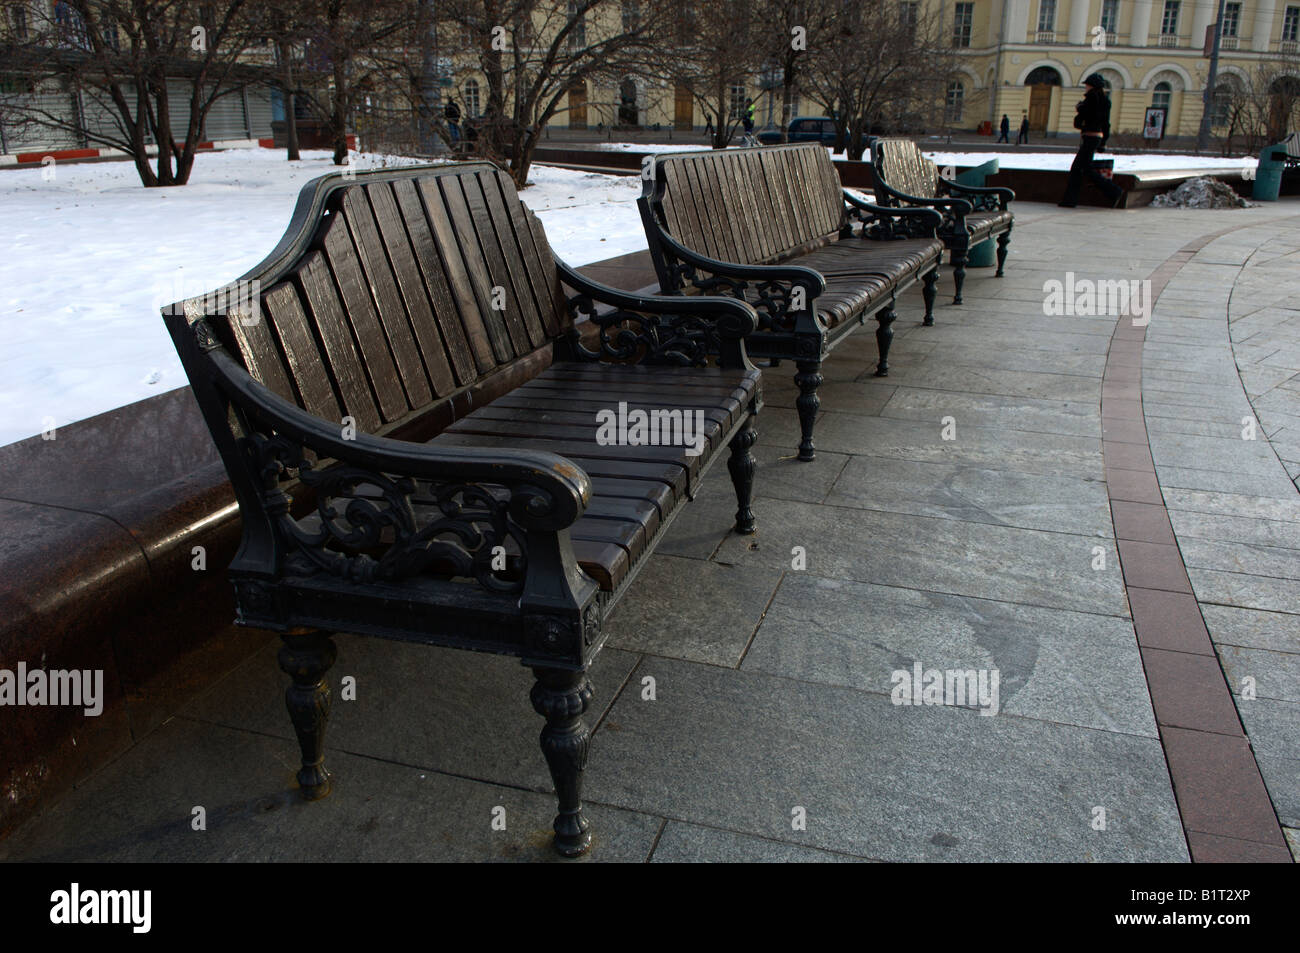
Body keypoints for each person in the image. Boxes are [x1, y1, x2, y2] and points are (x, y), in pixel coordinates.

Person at [1058, 73, 1124, 208]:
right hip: (1097, 137)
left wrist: (1079, 109)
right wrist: (1104, 141)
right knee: (1082, 168)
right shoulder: (1106, 101)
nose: (1086, 87)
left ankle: (1114, 191)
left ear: (1091, 86)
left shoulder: (1090, 100)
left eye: (1087, 85)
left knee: (1080, 169)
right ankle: (1071, 200)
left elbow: (1081, 120)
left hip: (1089, 136)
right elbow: (1106, 123)